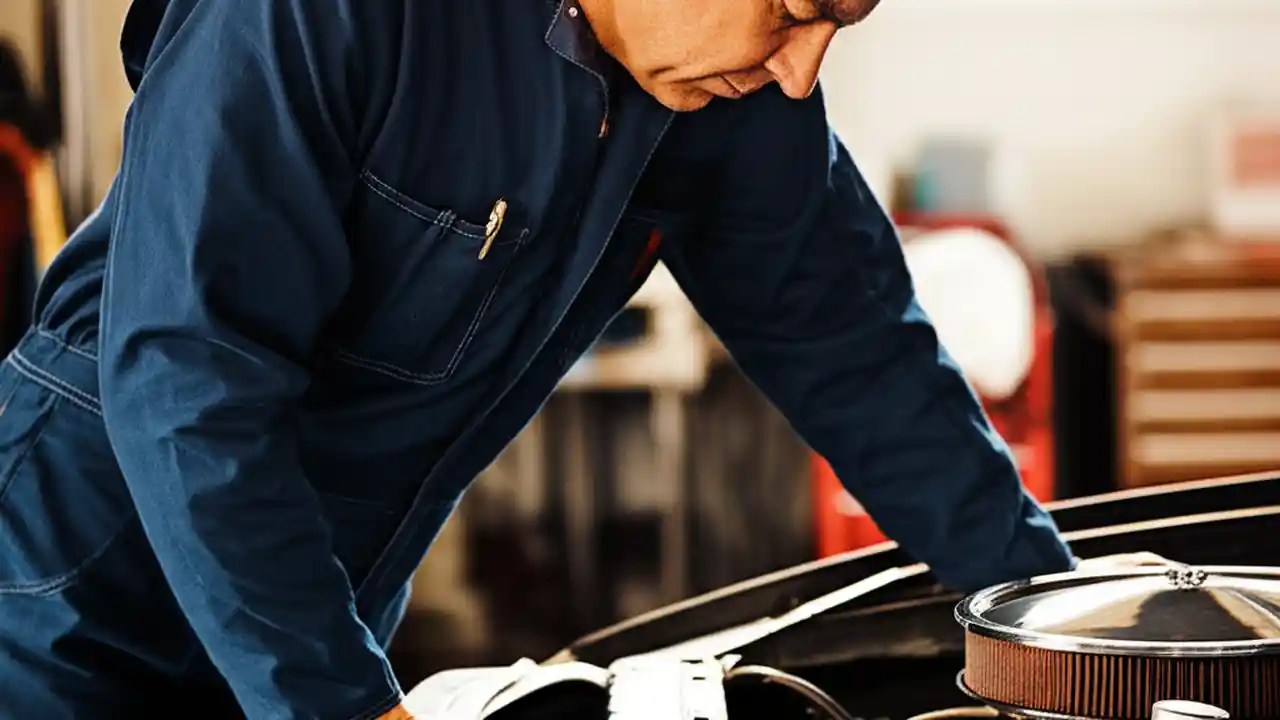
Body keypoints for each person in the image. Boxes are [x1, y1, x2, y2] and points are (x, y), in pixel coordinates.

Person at [0, 0, 1077, 717]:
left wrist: (1059, 619)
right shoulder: (317, 11)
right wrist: (339, 705)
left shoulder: (724, 94)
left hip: (320, 604)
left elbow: (855, 351)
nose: (800, 71)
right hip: (76, 595)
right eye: (791, 9)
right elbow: (191, 383)